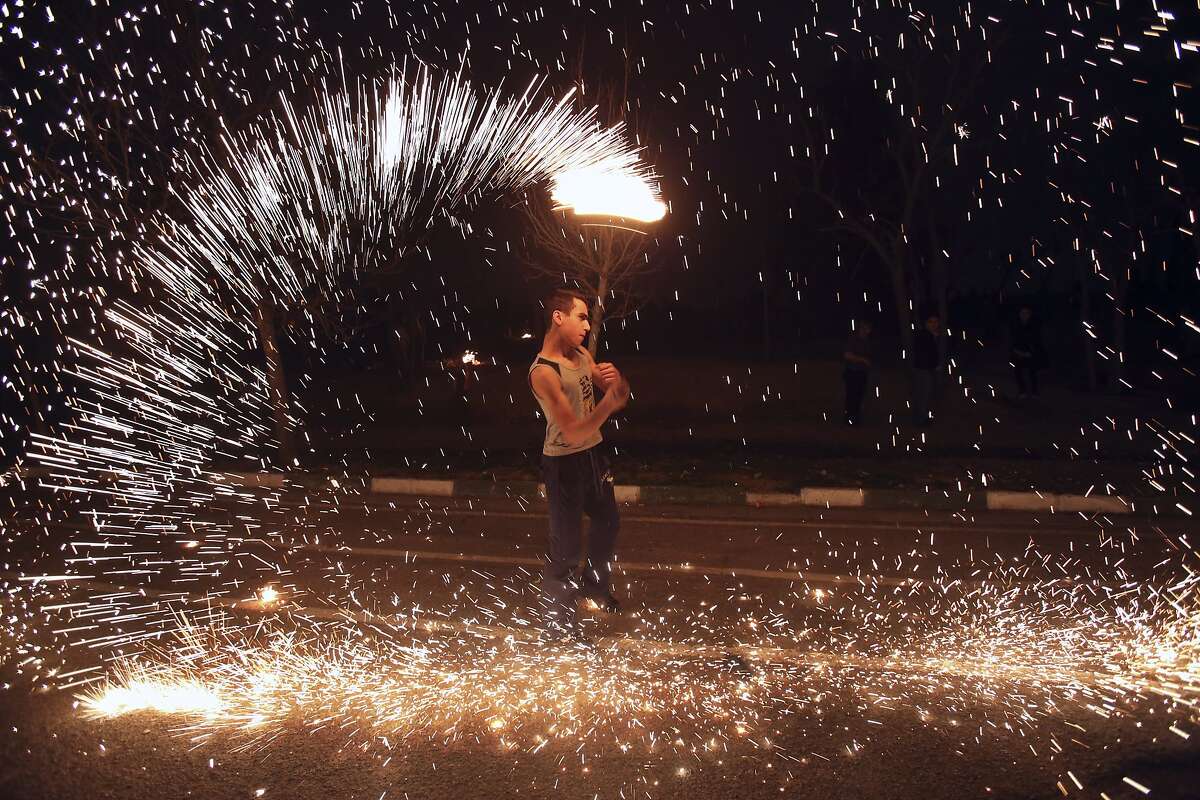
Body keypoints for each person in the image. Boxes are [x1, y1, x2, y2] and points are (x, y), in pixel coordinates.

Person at [528, 288, 630, 640]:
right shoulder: (543, 372)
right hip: (564, 463)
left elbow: (618, 392)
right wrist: (608, 407)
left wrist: (618, 383)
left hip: (594, 455)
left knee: (608, 521)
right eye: (581, 316)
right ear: (559, 317)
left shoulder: (582, 354)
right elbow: (571, 431)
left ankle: (595, 587)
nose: (587, 325)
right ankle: (559, 628)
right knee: (566, 548)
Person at [1009, 305, 1046, 399]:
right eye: (1022, 313)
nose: (1024, 315)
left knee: (1032, 373)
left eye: (1026, 313)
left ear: (1030, 314)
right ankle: (1022, 391)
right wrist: (1016, 351)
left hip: (1031, 353)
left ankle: (1034, 391)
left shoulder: (1034, 325)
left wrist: (1031, 352)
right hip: (1018, 352)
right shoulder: (1016, 325)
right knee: (1018, 372)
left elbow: (1037, 340)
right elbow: (1013, 339)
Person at [911, 312, 940, 426]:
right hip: (923, 369)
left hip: (925, 368)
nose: (934, 324)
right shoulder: (924, 335)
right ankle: (921, 420)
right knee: (924, 395)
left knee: (924, 394)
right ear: (926, 323)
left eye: (936, 322)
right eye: (932, 322)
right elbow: (926, 353)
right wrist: (933, 365)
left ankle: (921, 418)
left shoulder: (931, 335)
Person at [842, 320, 873, 425]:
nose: (867, 331)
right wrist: (862, 360)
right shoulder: (853, 340)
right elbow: (847, 355)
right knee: (851, 396)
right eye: (865, 329)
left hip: (862, 373)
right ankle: (849, 418)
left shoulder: (867, 341)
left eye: (868, 329)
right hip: (852, 372)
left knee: (859, 396)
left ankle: (856, 417)